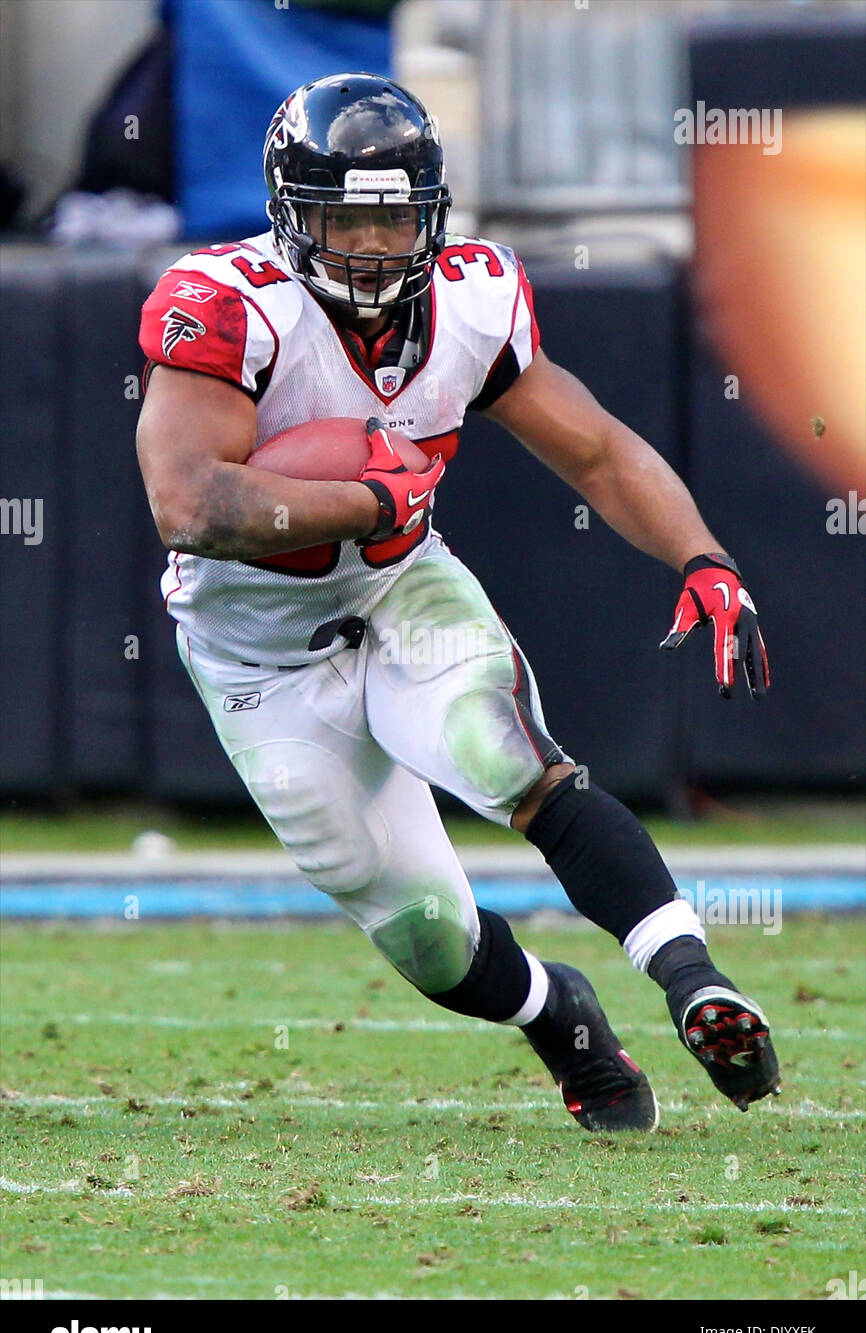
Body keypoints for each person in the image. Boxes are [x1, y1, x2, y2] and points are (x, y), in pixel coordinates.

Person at [136, 72, 779, 1132]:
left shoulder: (472, 299)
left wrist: (701, 559)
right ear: (293, 215)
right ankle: (555, 1013)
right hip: (256, 654)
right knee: (425, 932)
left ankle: (689, 978)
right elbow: (187, 503)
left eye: (396, 215)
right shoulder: (227, 306)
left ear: (431, 212)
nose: (375, 244)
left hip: (399, 588)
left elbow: (599, 450)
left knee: (512, 760)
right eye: (348, 216)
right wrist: (361, 496)